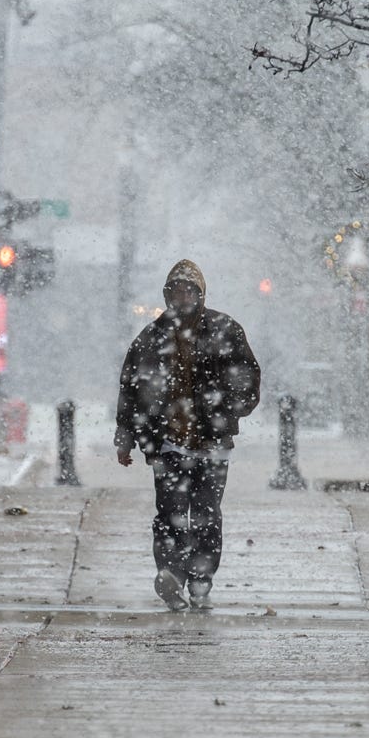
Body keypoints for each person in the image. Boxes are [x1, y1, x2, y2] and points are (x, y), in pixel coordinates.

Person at [114, 259, 262, 610]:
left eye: (188, 290)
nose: (182, 296)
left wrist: (228, 410)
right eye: (176, 290)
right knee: (169, 512)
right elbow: (131, 389)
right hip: (168, 445)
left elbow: (248, 379)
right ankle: (172, 575)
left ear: (200, 293)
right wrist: (126, 435)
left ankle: (201, 580)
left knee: (207, 514)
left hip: (213, 445)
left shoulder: (225, 330)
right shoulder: (151, 338)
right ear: (167, 295)